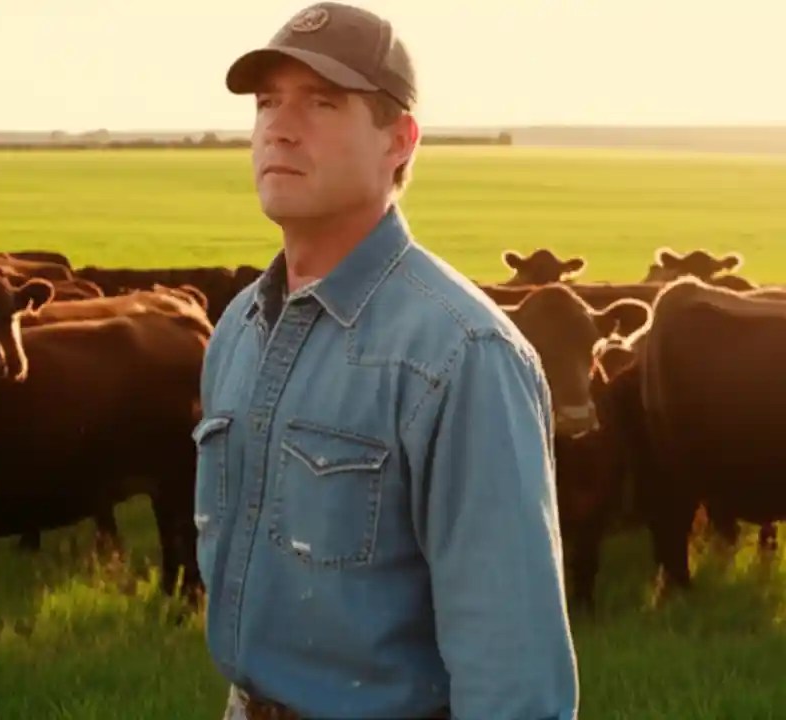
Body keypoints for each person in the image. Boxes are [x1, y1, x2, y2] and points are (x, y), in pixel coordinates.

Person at [194, 3, 579, 718]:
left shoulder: (463, 355)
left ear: (399, 141)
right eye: (267, 102)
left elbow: (514, 673)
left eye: (321, 102)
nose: (279, 126)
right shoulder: (239, 329)